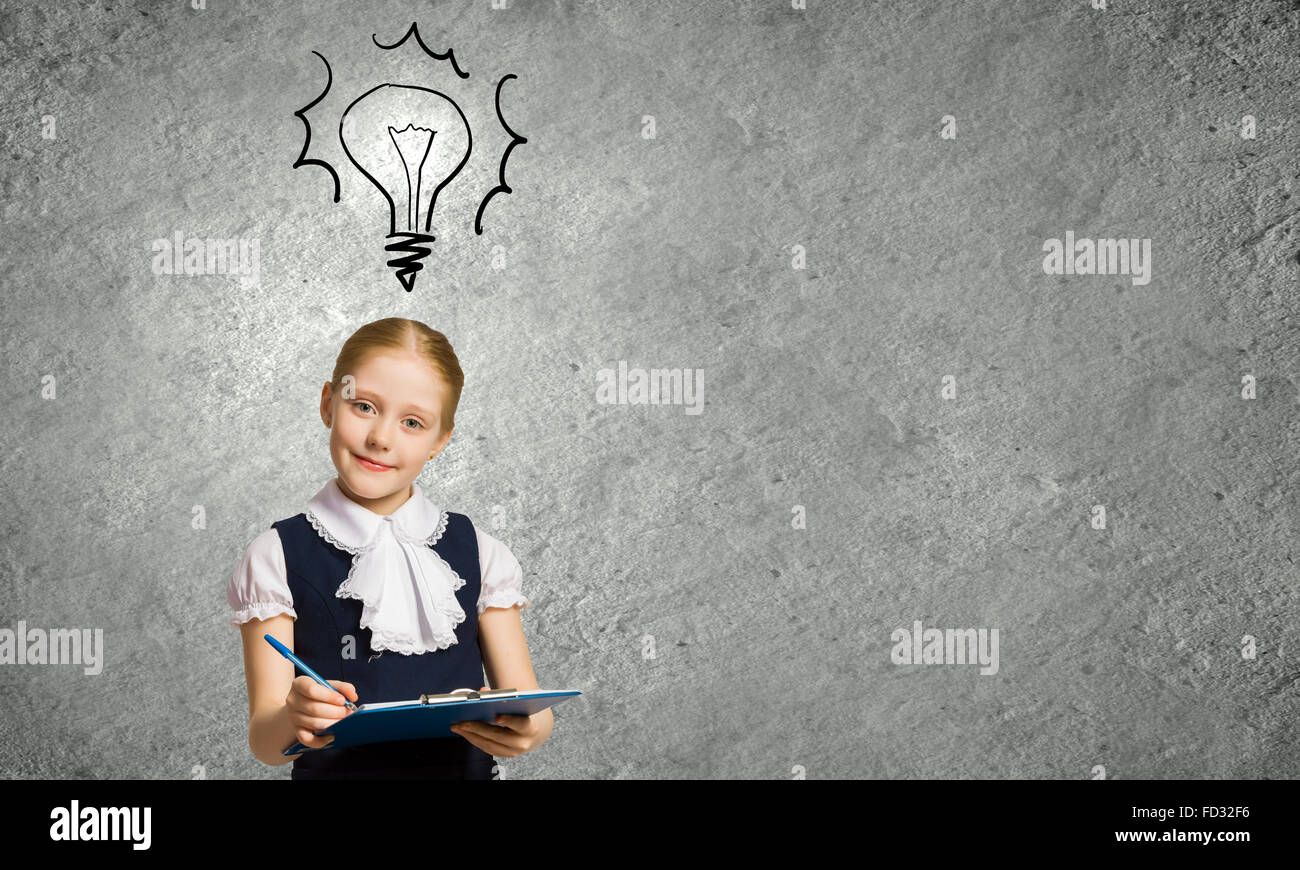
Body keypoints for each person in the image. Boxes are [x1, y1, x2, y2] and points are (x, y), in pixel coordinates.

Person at [227, 317, 553, 779]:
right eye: (363, 406)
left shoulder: (481, 553)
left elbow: (530, 707)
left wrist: (528, 731)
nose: (381, 438)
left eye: (413, 422)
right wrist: (293, 717)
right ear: (328, 404)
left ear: (440, 441)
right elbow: (265, 742)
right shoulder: (274, 556)